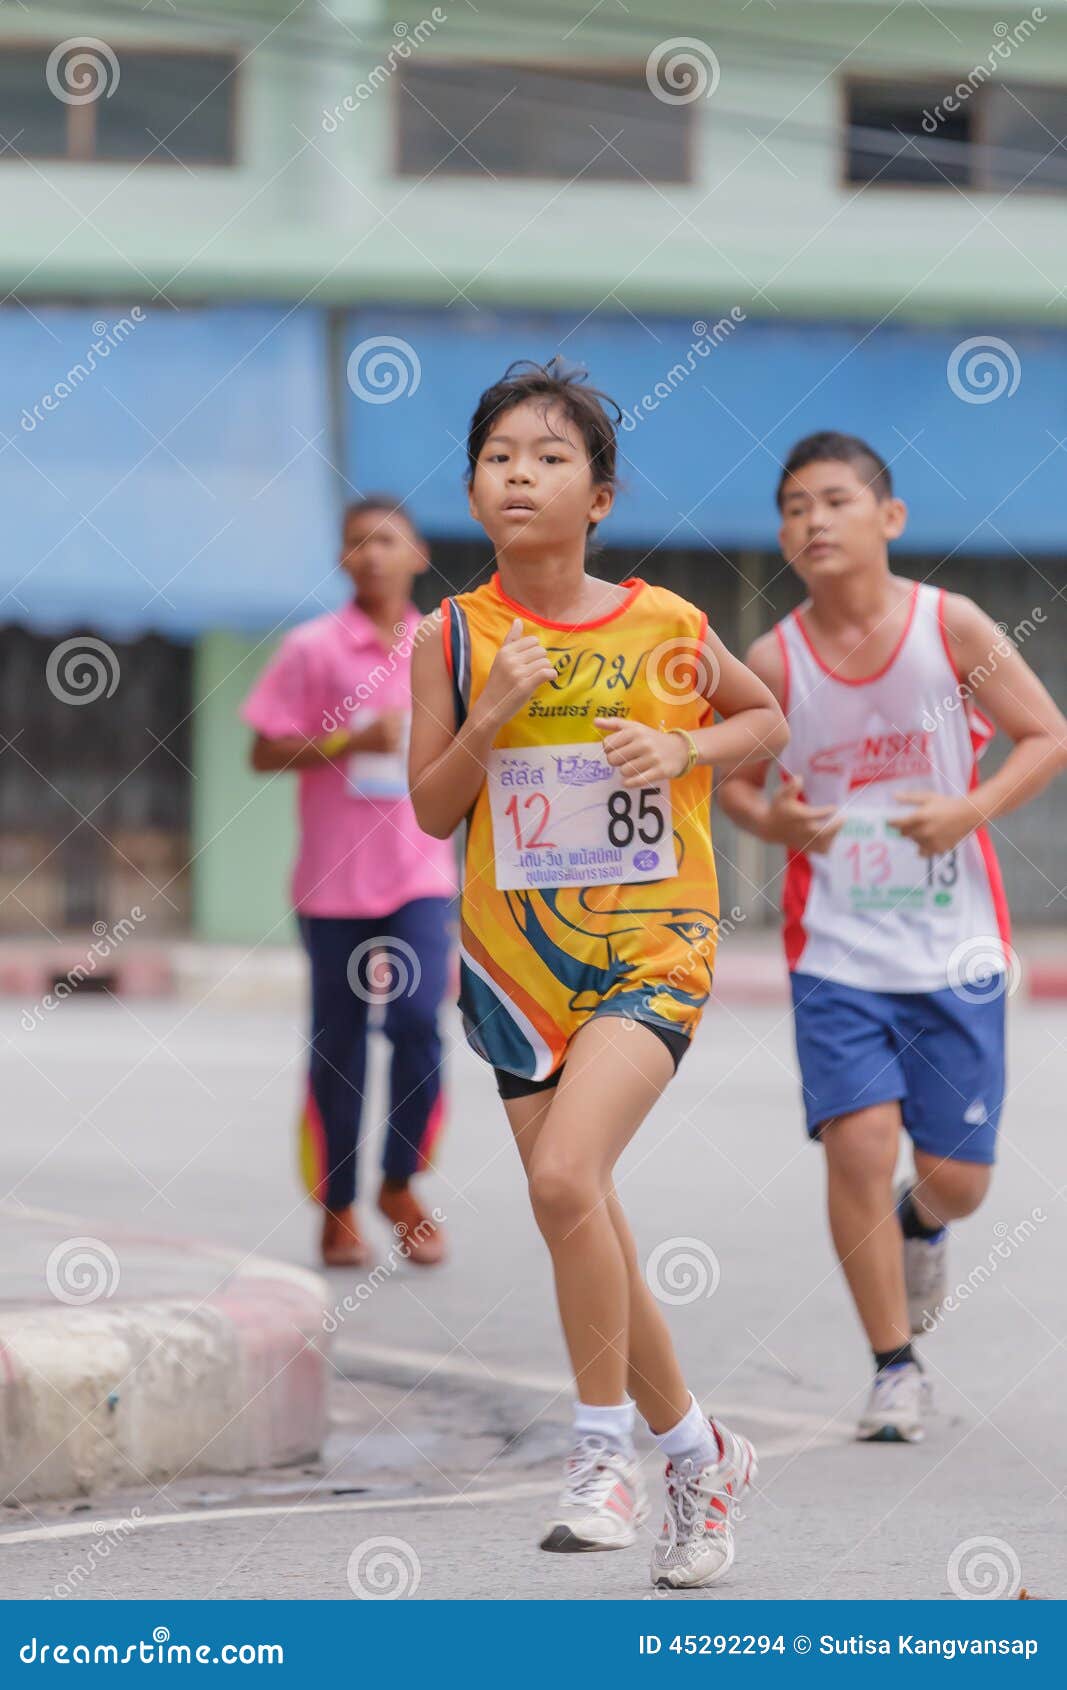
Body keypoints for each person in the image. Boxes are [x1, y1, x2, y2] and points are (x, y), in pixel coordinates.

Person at [408, 359, 787, 1589]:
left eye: (549, 455)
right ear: (472, 489)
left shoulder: (663, 622)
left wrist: (679, 741)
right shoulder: (454, 634)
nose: (520, 472)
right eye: (500, 455)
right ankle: (700, 1450)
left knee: (566, 1178)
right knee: (584, 1215)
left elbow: (763, 721)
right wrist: (487, 717)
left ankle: (599, 1453)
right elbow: (428, 810)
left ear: (600, 496)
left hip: (652, 937)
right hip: (512, 964)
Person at [718, 431, 1067, 1442]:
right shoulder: (769, 659)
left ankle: (921, 1223)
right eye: (792, 507)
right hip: (832, 947)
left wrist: (970, 808)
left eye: (833, 500)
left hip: (952, 946)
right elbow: (733, 780)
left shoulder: (948, 626)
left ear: (888, 518)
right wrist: (771, 822)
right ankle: (891, 1367)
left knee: (956, 1176)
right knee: (858, 1143)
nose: (811, 521)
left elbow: (1044, 732)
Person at [242, 497, 457, 1269]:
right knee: (337, 1045)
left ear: (418, 553)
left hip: (419, 877)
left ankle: (400, 1185)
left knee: (415, 1024)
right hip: (331, 886)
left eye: (387, 540)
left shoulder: (446, 645)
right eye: (356, 543)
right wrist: (346, 739)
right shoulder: (311, 648)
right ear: (340, 559)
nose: (371, 555)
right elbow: (261, 753)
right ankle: (336, 1207)